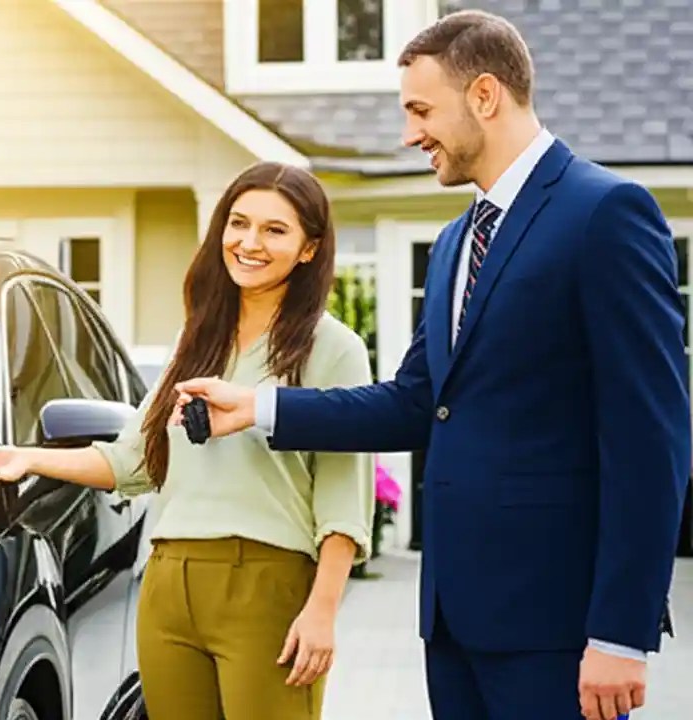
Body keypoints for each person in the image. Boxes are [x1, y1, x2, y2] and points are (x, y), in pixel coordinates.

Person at [171, 10, 690, 720]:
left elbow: (651, 439)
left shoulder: (605, 215)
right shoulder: (452, 244)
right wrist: (258, 408)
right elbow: (417, 401)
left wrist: (621, 632)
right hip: (452, 622)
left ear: (484, 96)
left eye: (420, 110)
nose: (409, 134)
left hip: (558, 630)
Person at [0, 161, 374, 720]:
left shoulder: (334, 349)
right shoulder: (197, 339)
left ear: (308, 248)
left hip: (267, 584)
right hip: (169, 583)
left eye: (275, 230)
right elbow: (133, 462)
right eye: (238, 223)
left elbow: (343, 498)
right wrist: (26, 459)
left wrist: (322, 612)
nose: (249, 243)